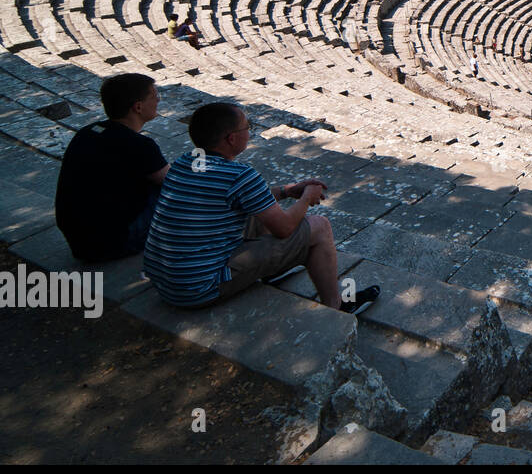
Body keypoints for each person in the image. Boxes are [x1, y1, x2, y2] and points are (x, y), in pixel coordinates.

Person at [144, 103, 378, 314]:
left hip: (165, 280)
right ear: (231, 139)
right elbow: (284, 228)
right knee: (320, 226)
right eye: (247, 126)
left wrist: (287, 191)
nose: (250, 131)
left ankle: (272, 268)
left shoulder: (184, 163)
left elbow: (247, 198)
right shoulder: (241, 176)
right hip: (200, 289)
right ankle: (335, 307)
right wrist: (306, 198)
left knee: (260, 215)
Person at [55, 74, 170, 262]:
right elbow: (174, 182)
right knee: (182, 192)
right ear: (138, 106)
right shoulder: (138, 145)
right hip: (114, 243)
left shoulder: (88, 132)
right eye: (154, 96)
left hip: (80, 241)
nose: (158, 100)